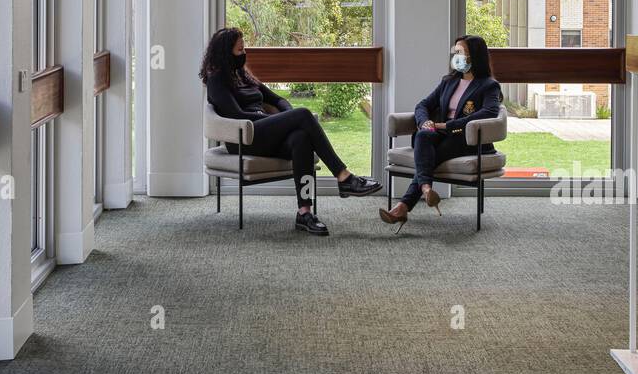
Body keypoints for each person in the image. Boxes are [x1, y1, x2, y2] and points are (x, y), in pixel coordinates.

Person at [201, 27, 382, 237]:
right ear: (225, 53)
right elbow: (238, 115)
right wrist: (279, 121)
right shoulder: (217, 80)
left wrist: (286, 117)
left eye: (244, 49)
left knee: (301, 138)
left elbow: (277, 99)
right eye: (239, 51)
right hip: (243, 137)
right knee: (303, 114)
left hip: (264, 132)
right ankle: (343, 177)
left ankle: (304, 213)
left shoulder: (243, 75)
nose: (244, 55)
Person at [379, 34, 502, 227]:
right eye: (455, 52)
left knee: (429, 158)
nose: (456, 57)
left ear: (474, 56)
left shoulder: (488, 85)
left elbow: (489, 112)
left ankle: (403, 206)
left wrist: (447, 125)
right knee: (422, 135)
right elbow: (423, 105)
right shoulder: (449, 81)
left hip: (466, 139)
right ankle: (426, 189)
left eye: (461, 52)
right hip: (440, 134)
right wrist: (425, 122)